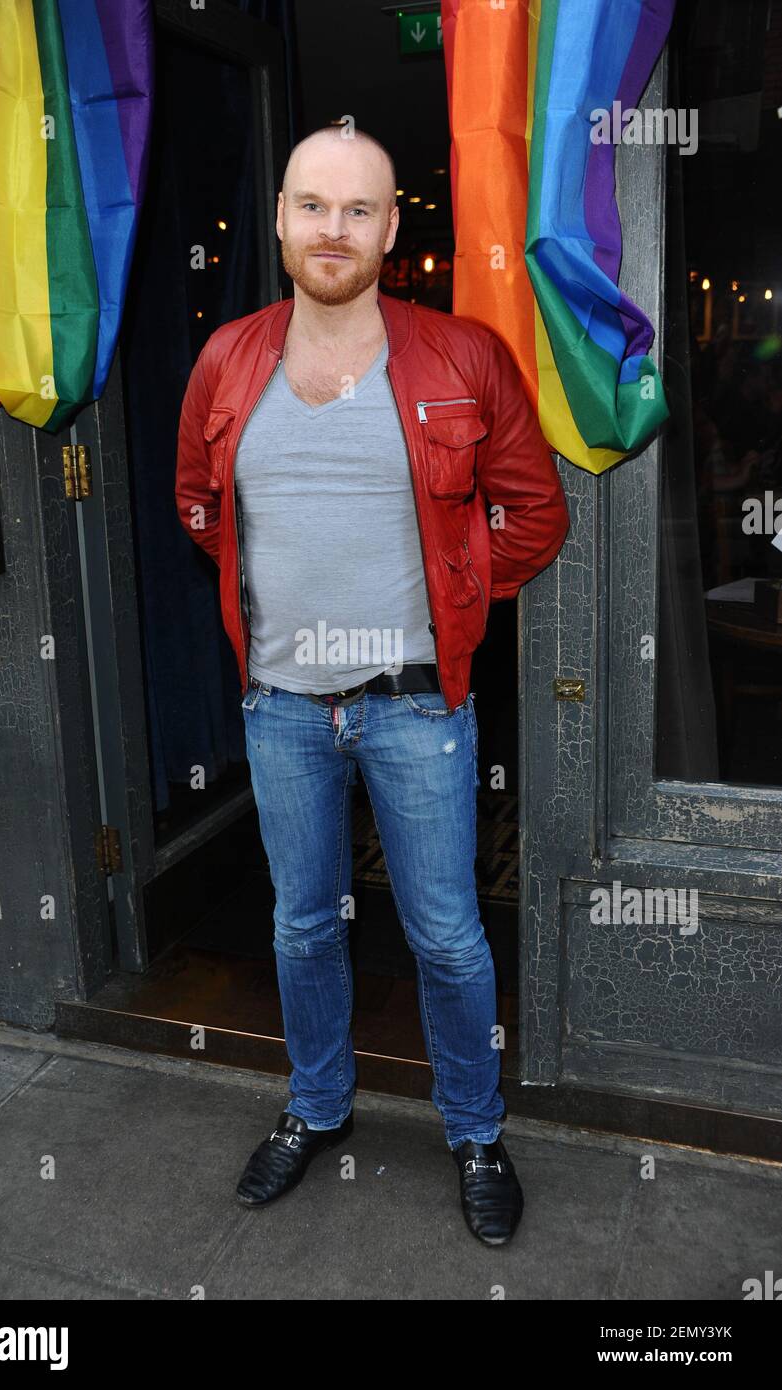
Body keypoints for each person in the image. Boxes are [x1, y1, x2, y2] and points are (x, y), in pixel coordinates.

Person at [175, 125, 569, 1246]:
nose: (332, 230)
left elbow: (533, 512)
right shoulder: (227, 359)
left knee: (446, 935)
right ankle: (314, 1107)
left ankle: (475, 1129)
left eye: (358, 210)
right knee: (302, 925)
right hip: (283, 706)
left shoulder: (461, 356)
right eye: (312, 207)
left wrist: (450, 587)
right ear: (283, 219)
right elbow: (200, 508)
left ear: (393, 226)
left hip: (414, 704)